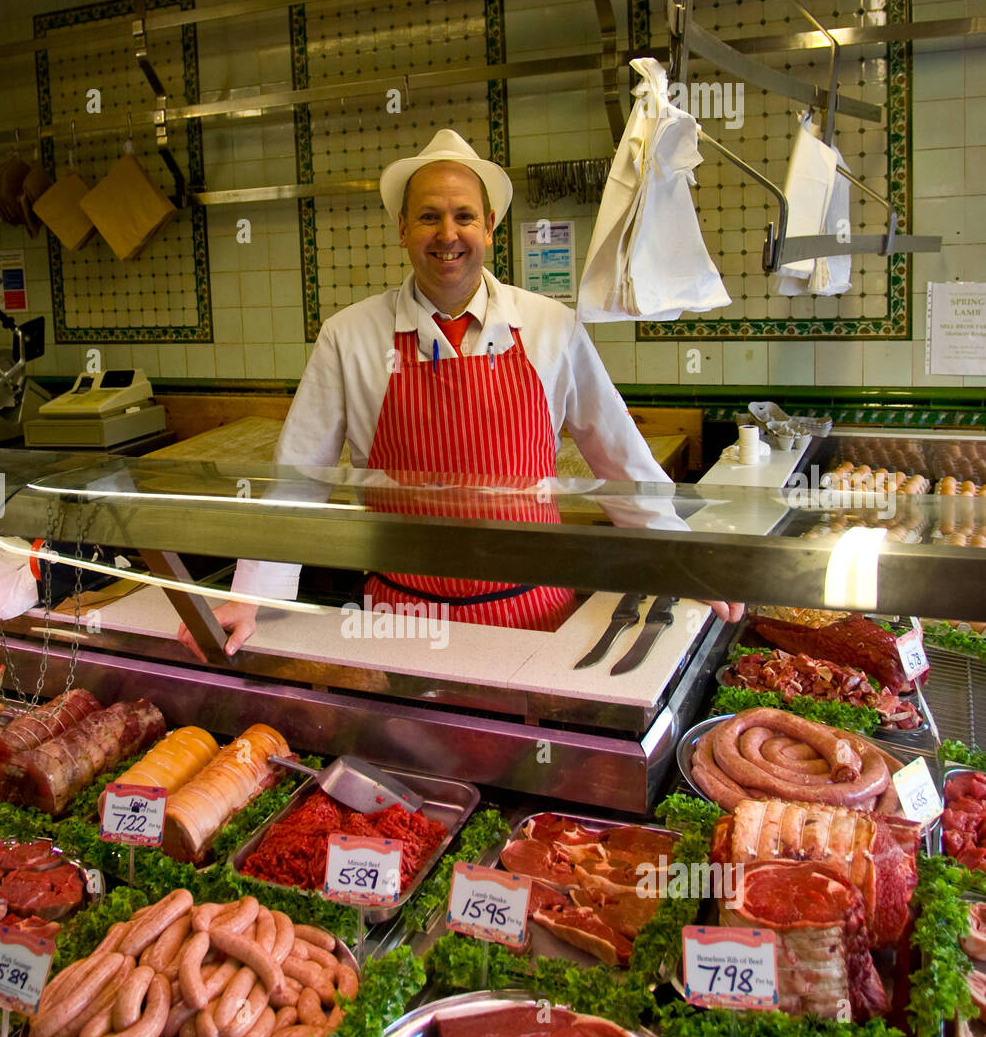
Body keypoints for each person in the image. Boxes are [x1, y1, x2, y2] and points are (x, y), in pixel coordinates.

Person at [187, 129, 742, 655]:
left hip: (535, 618)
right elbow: (298, 479)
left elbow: (622, 465)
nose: (447, 234)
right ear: (402, 228)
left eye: (464, 216)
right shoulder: (348, 335)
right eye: (429, 217)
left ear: (491, 225)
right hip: (399, 623)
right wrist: (251, 595)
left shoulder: (552, 326)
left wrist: (681, 559)